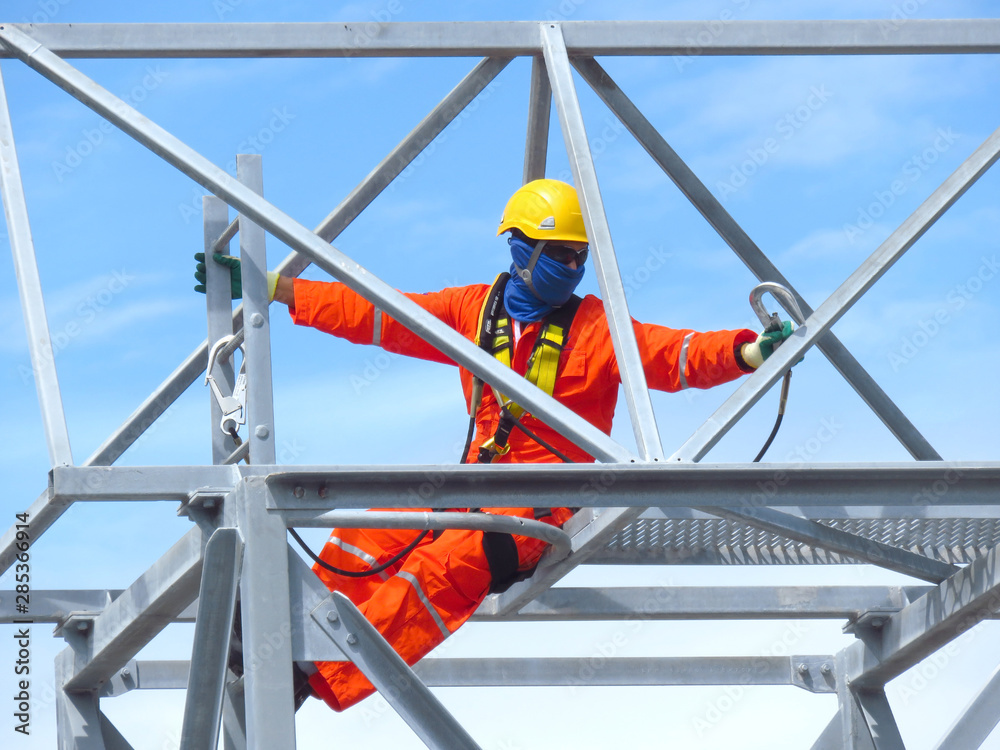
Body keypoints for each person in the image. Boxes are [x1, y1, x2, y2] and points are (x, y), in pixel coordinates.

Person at [195, 178, 793, 711]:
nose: (573, 266)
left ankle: (315, 672)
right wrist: (281, 289)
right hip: (473, 486)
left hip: (541, 507)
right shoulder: (474, 312)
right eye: (561, 254)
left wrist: (746, 351)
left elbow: (673, 354)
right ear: (521, 250)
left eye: (579, 256)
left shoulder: (595, 330)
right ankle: (281, 633)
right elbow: (383, 315)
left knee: (444, 564)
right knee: (372, 530)